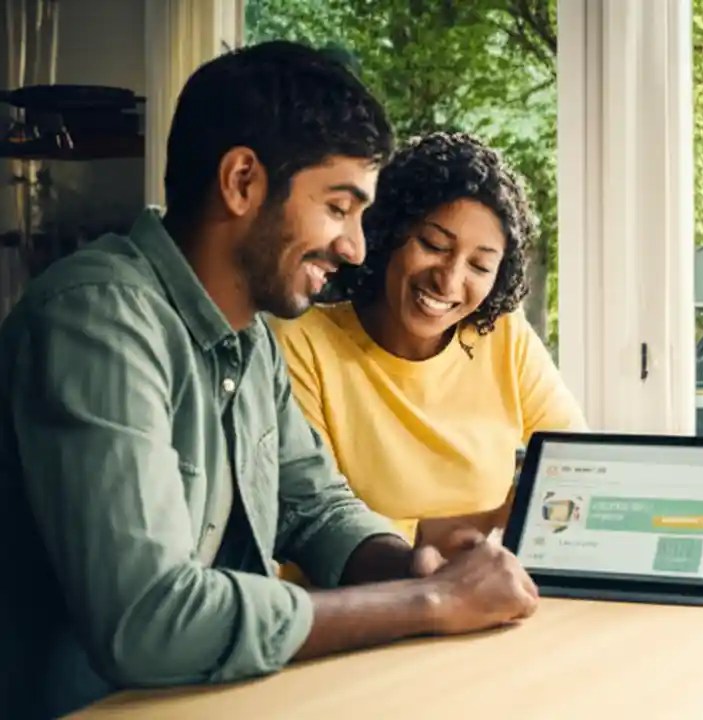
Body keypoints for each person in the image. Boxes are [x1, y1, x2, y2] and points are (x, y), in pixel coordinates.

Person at [0, 42, 538, 720]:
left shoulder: (248, 339)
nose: (356, 248)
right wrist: (426, 603)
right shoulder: (97, 321)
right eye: (339, 208)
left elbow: (314, 506)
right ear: (243, 181)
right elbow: (150, 620)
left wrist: (415, 567)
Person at [269, 132, 586, 563]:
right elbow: (305, 522)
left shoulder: (503, 337)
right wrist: (480, 522)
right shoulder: (302, 343)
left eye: (479, 265)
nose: (449, 281)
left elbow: (574, 465)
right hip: (357, 610)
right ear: (390, 232)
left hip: (479, 595)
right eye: (433, 246)